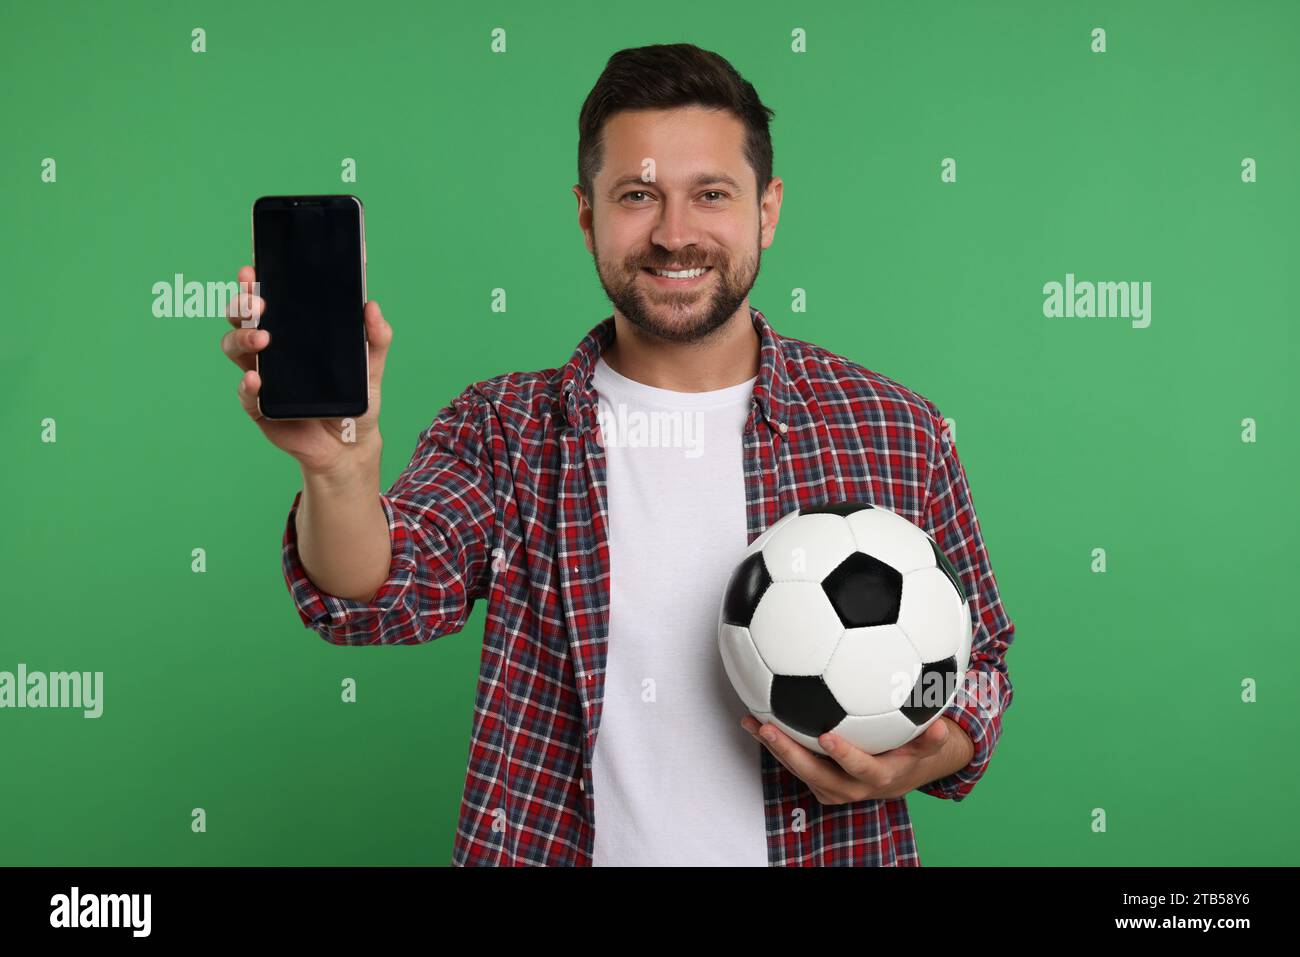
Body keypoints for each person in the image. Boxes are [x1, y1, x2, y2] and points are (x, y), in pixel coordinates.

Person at [220, 43, 1014, 866]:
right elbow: (384, 592)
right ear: (586, 212)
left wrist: (931, 750)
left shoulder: (892, 428)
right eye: (638, 196)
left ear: (767, 209)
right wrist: (339, 473)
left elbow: (981, 666)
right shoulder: (507, 429)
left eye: (711, 194)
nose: (675, 235)